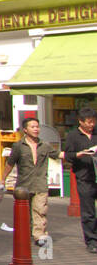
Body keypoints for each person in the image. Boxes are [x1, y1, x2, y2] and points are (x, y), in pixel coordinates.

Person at [6, 116, 61, 246]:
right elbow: (10, 163)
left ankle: (39, 236)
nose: (36, 129)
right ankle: (25, 232)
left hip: (40, 184)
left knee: (40, 210)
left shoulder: (45, 145)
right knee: (24, 212)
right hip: (23, 185)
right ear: (25, 130)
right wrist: (3, 179)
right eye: (33, 127)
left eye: (37, 127)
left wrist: (77, 155)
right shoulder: (18, 146)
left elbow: (58, 155)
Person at [61, 106, 97, 254]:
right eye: (88, 122)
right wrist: (79, 154)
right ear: (80, 122)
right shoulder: (72, 136)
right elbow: (67, 155)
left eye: (93, 121)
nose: (91, 125)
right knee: (88, 211)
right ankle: (92, 241)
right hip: (84, 177)